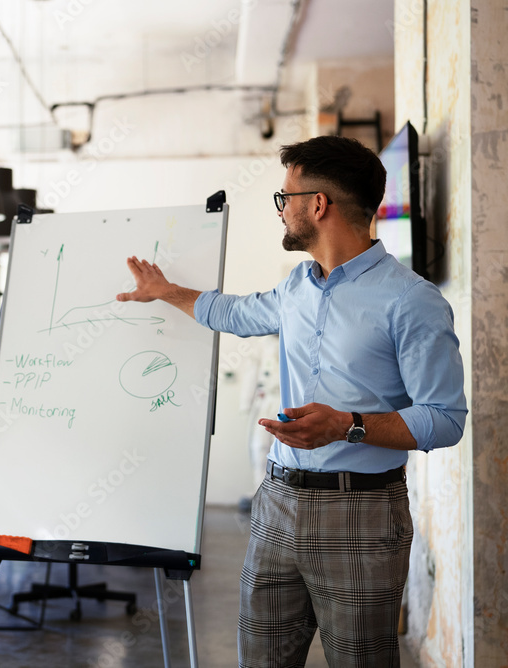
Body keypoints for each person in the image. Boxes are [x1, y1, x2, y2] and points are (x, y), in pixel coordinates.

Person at [117, 135, 467, 667]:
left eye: (286, 197)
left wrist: (346, 425)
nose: (282, 211)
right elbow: (233, 313)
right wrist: (166, 291)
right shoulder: (296, 287)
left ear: (318, 204)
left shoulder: (412, 301)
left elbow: (444, 419)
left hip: (363, 511)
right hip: (277, 504)